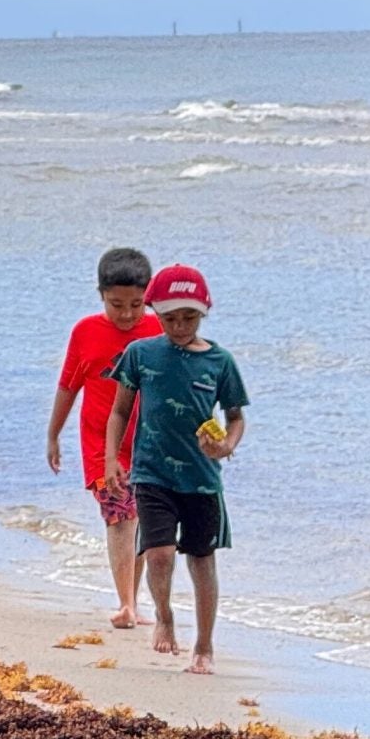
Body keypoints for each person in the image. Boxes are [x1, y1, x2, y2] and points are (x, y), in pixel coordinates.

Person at [104, 264, 248, 675]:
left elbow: (235, 417)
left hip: (202, 479)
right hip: (151, 473)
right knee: (160, 553)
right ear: (156, 314)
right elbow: (119, 411)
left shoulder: (220, 362)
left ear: (204, 312)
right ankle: (164, 615)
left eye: (189, 317)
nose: (180, 326)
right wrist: (112, 458)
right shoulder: (141, 354)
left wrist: (226, 446)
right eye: (170, 318)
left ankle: (204, 644)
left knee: (202, 558)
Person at [47, 247, 159, 628]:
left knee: (142, 517)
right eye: (116, 304)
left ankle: (133, 601)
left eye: (136, 304)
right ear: (100, 296)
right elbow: (68, 385)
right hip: (101, 443)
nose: (127, 314)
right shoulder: (86, 331)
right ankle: (126, 604)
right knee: (120, 518)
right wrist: (53, 434)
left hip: (148, 443)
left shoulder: (159, 330)